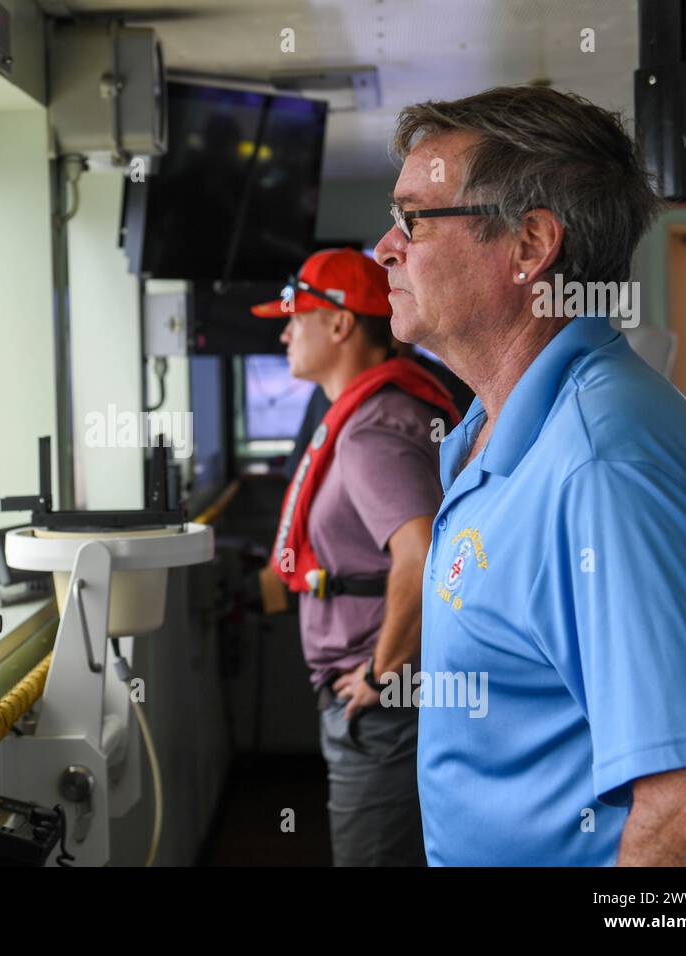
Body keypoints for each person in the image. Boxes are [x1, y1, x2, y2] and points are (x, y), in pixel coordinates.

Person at [371, 85, 686, 866]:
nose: (386, 247)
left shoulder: (602, 465)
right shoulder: (498, 434)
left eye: (414, 218)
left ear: (529, 247)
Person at [252, 247, 459, 865]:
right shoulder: (376, 409)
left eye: (297, 316)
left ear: (341, 324)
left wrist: (379, 674)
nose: (285, 331)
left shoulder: (372, 427)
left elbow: (421, 555)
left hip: (382, 705)